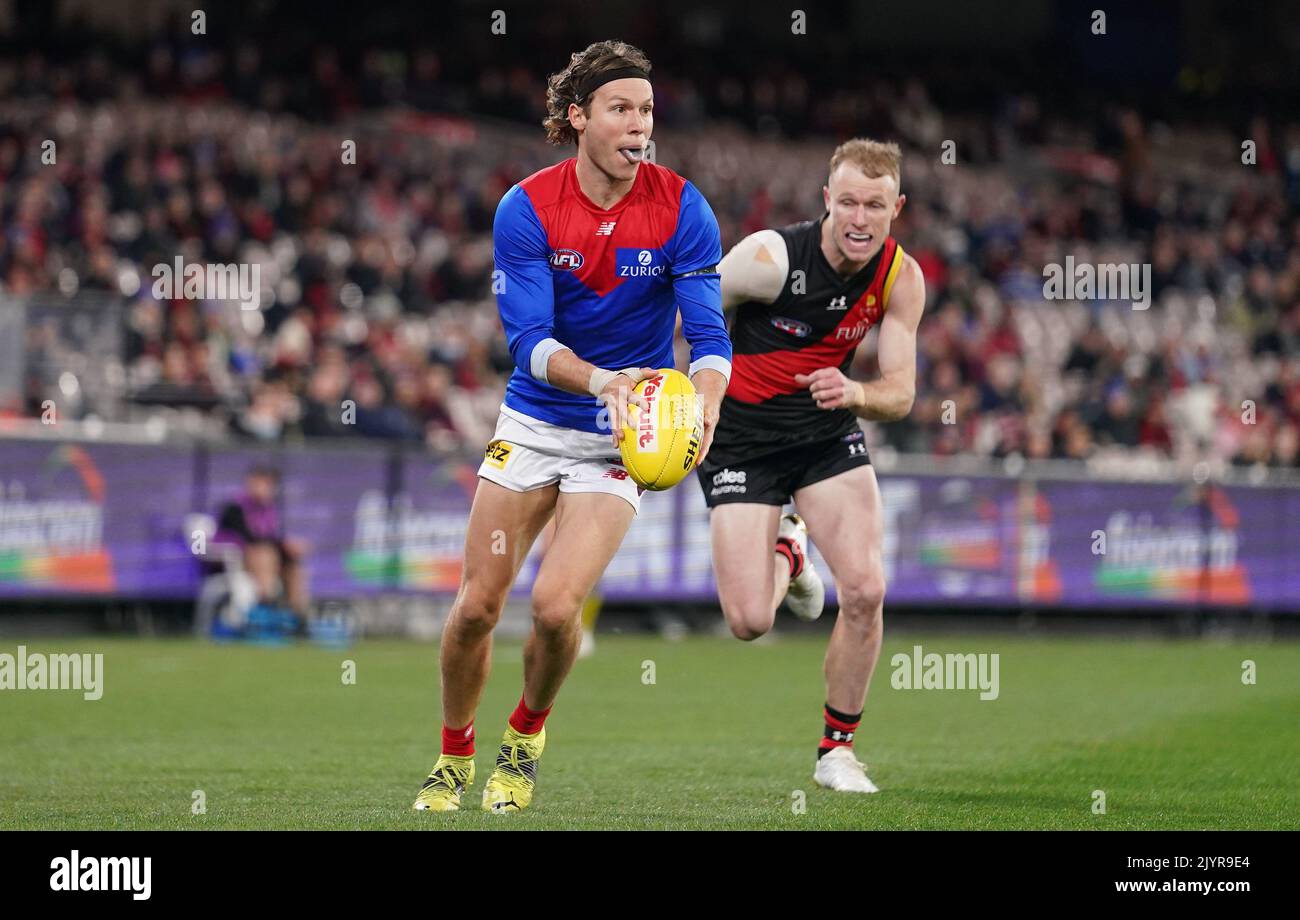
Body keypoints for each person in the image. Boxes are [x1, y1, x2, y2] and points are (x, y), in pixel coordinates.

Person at [413, 40, 731, 813]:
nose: (638, 125)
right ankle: (454, 756)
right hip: (535, 420)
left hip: (621, 439)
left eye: (647, 111)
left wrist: (708, 400)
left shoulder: (683, 207)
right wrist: (603, 381)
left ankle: (522, 742)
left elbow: (710, 337)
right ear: (578, 116)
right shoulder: (525, 207)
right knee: (476, 608)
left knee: (557, 609)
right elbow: (527, 340)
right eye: (621, 109)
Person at [697, 139, 926, 793]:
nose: (859, 218)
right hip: (740, 439)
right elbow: (695, 309)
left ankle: (837, 752)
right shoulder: (768, 259)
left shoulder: (899, 279)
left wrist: (854, 393)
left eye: (874, 206)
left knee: (865, 590)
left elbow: (901, 392)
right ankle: (791, 554)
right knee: (748, 622)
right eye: (848, 201)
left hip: (825, 438)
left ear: (896, 208)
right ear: (827, 200)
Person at [213, 464, 311, 622]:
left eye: (270, 485)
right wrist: (282, 544)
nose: (267, 488)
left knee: (293, 564)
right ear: (251, 483)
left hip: (265, 559)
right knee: (264, 554)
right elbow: (249, 537)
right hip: (233, 561)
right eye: (263, 483)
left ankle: (297, 616)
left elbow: (270, 537)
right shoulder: (235, 507)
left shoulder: (268, 509)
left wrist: (288, 547)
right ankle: (264, 611)